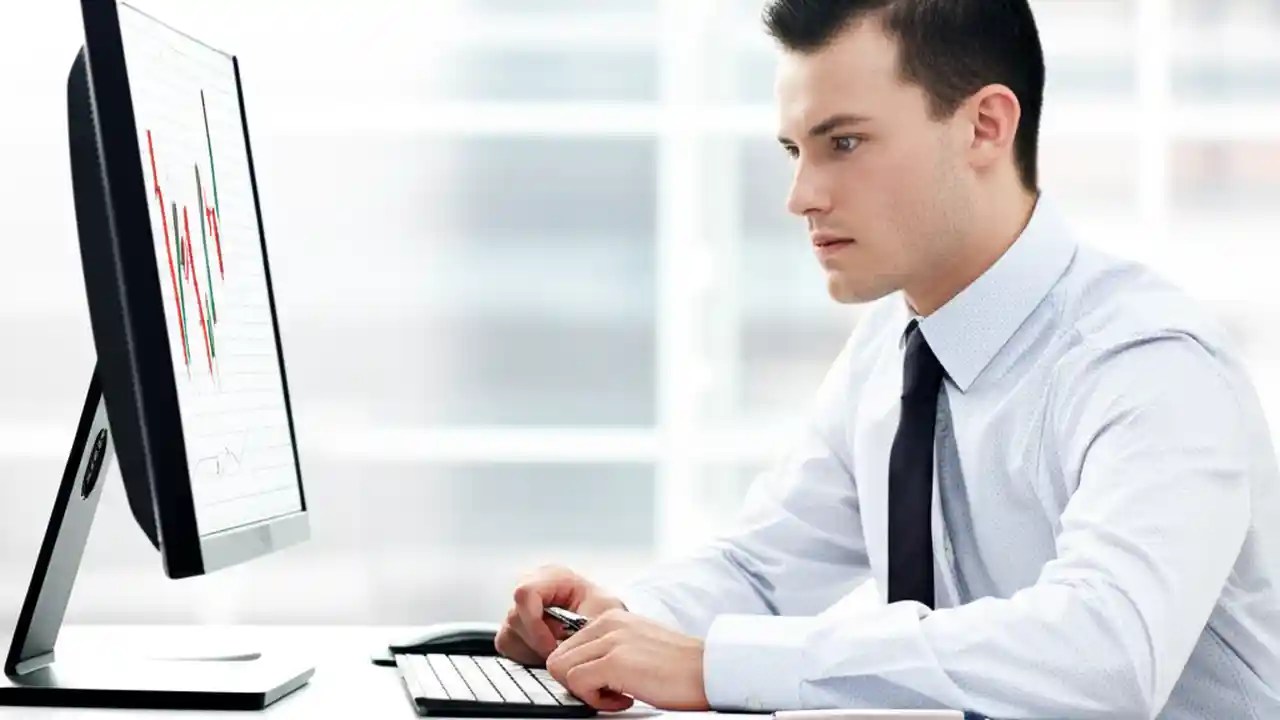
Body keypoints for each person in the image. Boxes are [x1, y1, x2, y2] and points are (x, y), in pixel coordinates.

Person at [495, 1, 1280, 717]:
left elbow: (1106, 656)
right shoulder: (894, 343)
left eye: (844, 142)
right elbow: (766, 569)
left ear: (985, 126)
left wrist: (716, 665)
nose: (801, 195)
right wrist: (612, 625)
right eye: (794, 149)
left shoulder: (1148, 365)